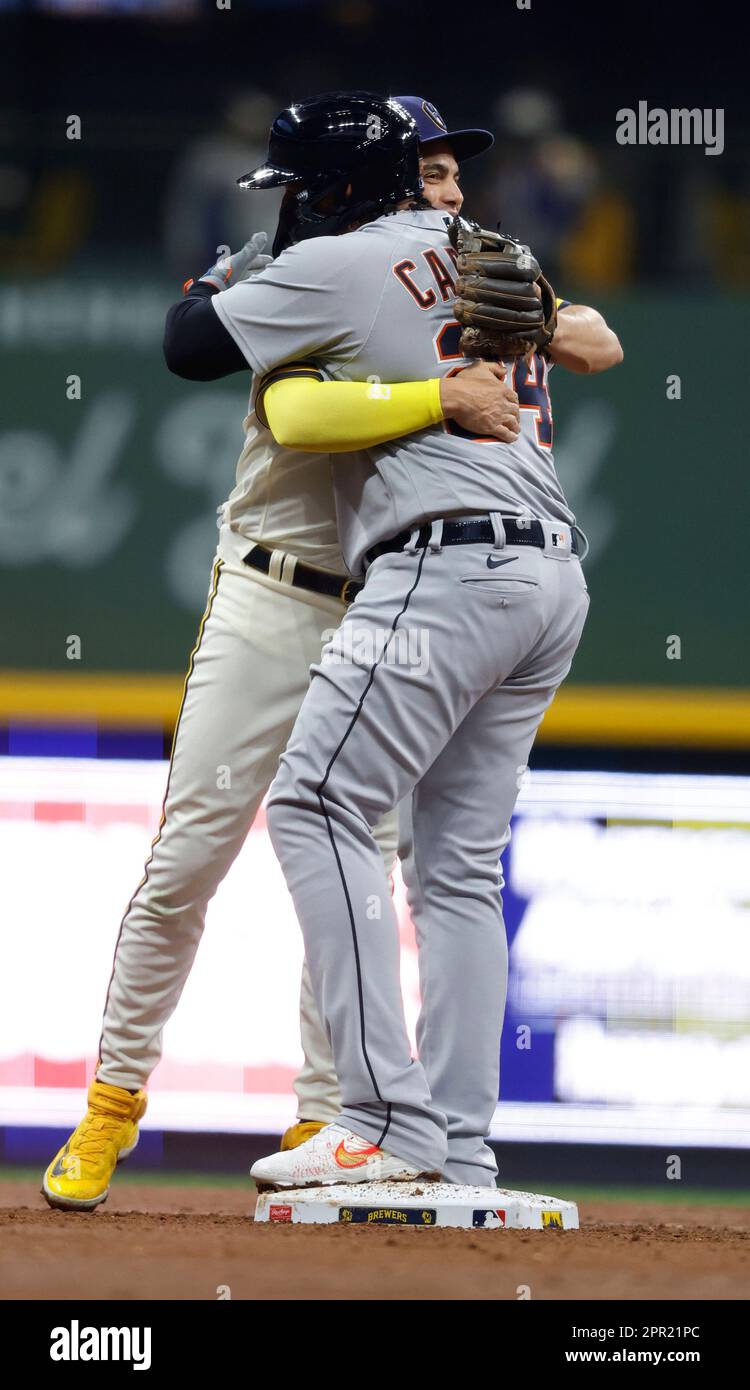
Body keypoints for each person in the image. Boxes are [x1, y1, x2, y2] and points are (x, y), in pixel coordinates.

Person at [40, 92, 514, 1211]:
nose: (449, 191)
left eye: (454, 174)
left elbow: (591, 334)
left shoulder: (470, 271)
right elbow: (189, 345)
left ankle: (326, 1111)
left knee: (350, 861)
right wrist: (232, 285)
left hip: (393, 596)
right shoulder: (314, 269)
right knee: (190, 855)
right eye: (432, 172)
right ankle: (111, 1103)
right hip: (271, 589)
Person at [191, 95, 622, 1189]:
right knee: (457, 866)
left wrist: (235, 271)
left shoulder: (340, 261)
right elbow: (599, 344)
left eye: (302, 190)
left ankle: (381, 1119)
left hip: (449, 561)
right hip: (553, 573)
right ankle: (460, 1146)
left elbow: (192, 346)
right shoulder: (494, 249)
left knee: (313, 804)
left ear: (333, 189)